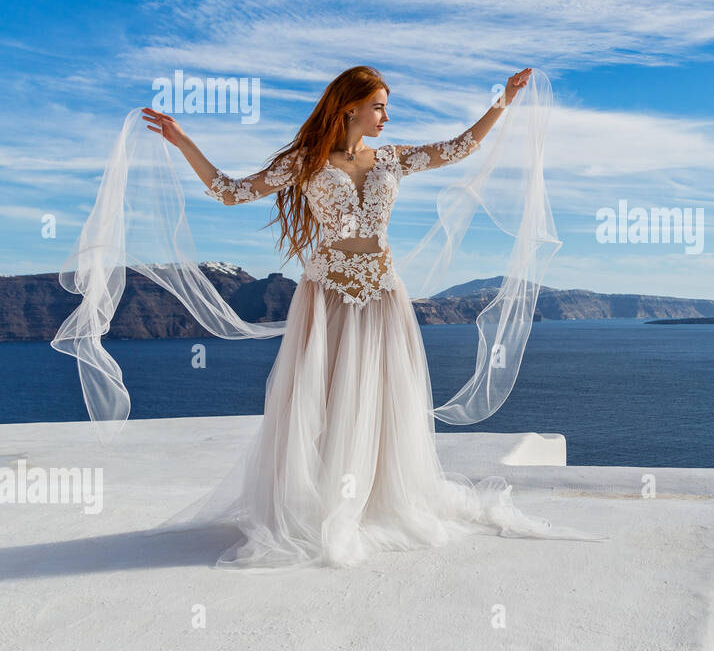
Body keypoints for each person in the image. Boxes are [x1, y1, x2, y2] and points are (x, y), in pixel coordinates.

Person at [54, 65, 604, 569]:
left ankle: (376, 499)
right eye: (380, 106)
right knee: (322, 395)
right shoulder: (305, 163)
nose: (387, 117)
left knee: (380, 396)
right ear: (350, 108)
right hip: (327, 292)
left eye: (386, 107)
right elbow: (229, 192)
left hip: (383, 291)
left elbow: (458, 148)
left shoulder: (390, 158)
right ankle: (319, 505)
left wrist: (502, 103)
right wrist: (182, 143)